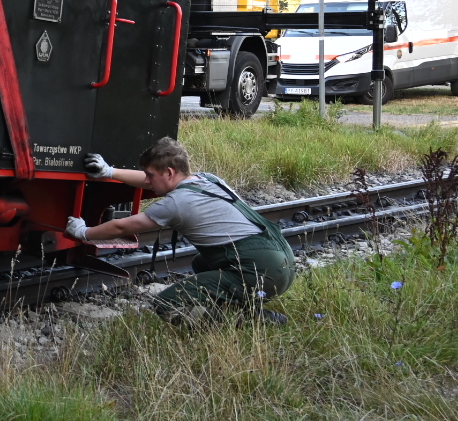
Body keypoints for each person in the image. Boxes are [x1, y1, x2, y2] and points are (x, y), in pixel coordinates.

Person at [64, 137, 294, 325]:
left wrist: (84, 232)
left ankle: (219, 327)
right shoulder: (208, 179)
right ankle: (254, 315)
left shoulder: (176, 203)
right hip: (281, 263)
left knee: (166, 304)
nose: (148, 181)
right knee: (202, 263)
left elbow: (122, 226)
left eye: (151, 176)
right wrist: (110, 172)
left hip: (262, 273)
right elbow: (146, 182)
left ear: (170, 173)